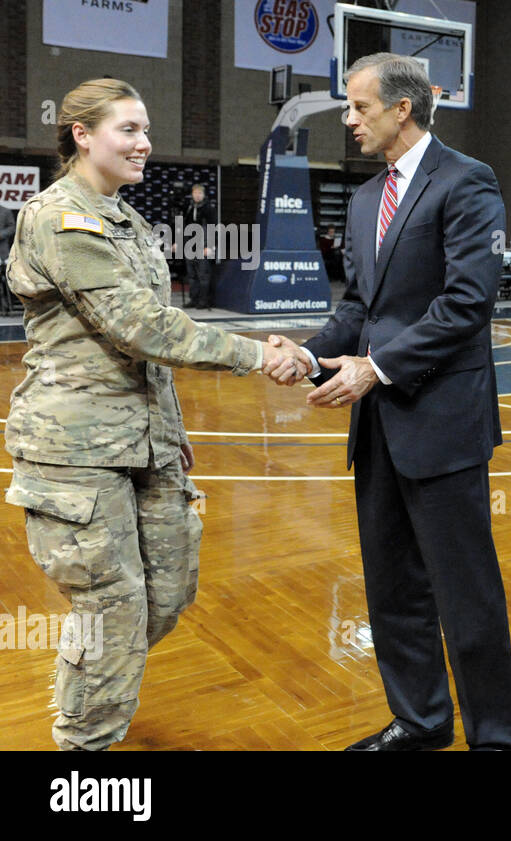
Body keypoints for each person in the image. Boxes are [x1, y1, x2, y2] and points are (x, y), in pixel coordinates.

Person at [3, 78, 305, 751]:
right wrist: (255, 355)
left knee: (166, 591)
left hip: (146, 445)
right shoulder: (57, 218)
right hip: (76, 451)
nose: (145, 143)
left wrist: (172, 432)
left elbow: (153, 344)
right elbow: (139, 327)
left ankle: (86, 685)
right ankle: (84, 750)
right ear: (81, 134)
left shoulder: (128, 220)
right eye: (129, 130)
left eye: (146, 130)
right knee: (111, 606)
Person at [272, 53, 511, 751]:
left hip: (441, 420)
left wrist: (376, 368)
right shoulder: (360, 200)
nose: (348, 120)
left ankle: (495, 738)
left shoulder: (467, 182)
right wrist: (311, 352)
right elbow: (362, 308)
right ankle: (420, 718)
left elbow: (467, 304)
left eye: (358, 106)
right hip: (378, 424)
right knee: (391, 587)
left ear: (401, 108)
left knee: (465, 595)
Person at [183, 183, 217, 308]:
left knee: (203, 275)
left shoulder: (209, 209)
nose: (197, 196)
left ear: (203, 195)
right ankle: (194, 299)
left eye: (199, 193)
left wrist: (210, 246)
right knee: (192, 275)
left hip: (203, 246)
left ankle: (204, 301)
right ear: (192, 194)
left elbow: (214, 229)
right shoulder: (189, 208)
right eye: (195, 193)